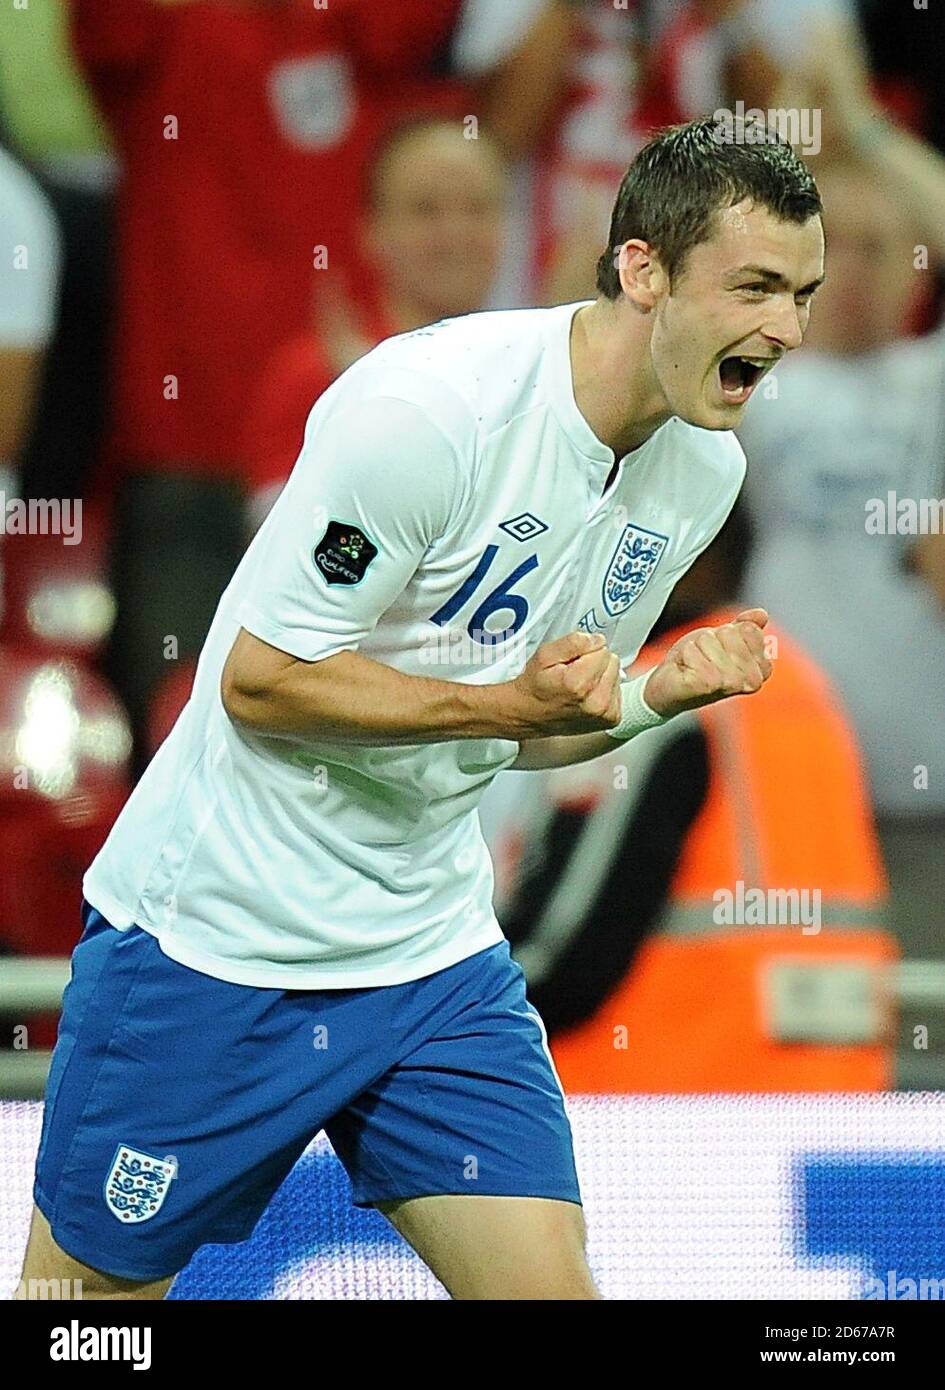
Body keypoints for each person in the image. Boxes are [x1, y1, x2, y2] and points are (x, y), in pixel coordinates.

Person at [19, 116, 825, 1301]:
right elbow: (260, 682)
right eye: (756, 286)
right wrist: (501, 700)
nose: (789, 329)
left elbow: (543, 718)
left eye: (802, 293)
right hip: (218, 939)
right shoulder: (432, 412)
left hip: (427, 949)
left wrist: (652, 693)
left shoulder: (701, 468)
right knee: (81, 1323)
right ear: (643, 269)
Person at [482, 501, 896, 1094]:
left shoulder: (646, 704)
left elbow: (562, 957)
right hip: (825, 1107)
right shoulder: (802, 685)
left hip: (660, 1116)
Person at [735, 20, 945, 963]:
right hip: (793, 765)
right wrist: (766, 138)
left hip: (926, 772)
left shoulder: (930, 381)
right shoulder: (757, 387)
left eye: (878, 249)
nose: (856, 273)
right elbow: (641, 259)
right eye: (834, 253)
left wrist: (859, 127)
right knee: (812, 1017)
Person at [243, 115, 510, 529]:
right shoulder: (313, 377)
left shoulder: (532, 374)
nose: (455, 233)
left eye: (478, 209)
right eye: (426, 210)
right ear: (373, 231)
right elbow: (293, 552)